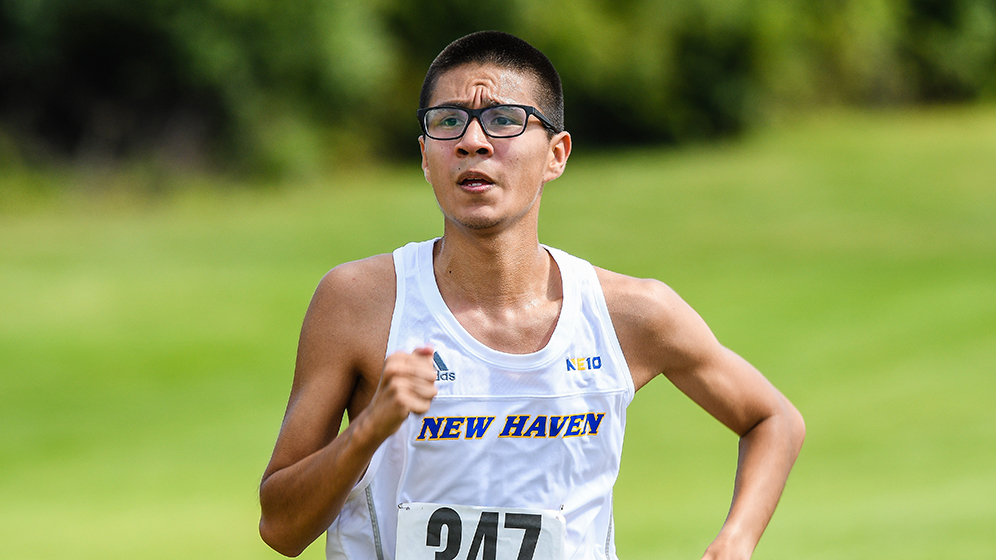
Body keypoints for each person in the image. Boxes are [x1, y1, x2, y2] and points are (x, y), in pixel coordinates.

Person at [259, 30, 804, 560]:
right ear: (426, 157)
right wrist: (369, 431)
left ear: (556, 154)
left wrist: (737, 539)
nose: (473, 141)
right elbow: (281, 528)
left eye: (504, 120)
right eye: (448, 122)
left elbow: (773, 420)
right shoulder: (359, 302)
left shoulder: (630, 314)